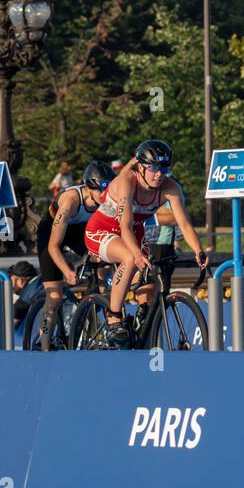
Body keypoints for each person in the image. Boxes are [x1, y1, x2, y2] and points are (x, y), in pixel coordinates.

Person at [83, 140, 207, 348]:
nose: (159, 175)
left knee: (150, 278)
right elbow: (125, 226)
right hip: (103, 230)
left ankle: (142, 319)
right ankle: (113, 317)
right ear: (140, 167)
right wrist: (137, 255)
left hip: (134, 231)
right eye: (154, 169)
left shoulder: (169, 187)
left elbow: (183, 223)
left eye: (164, 169)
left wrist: (198, 249)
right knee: (131, 258)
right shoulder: (126, 182)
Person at [37, 160, 114, 351]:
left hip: (79, 232)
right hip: (51, 236)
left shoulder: (106, 201)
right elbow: (54, 246)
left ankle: (89, 304)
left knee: (104, 265)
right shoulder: (70, 202)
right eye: (101, 191)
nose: (105, 196)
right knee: (54, 297)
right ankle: (44, 343)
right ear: (89, 188)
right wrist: (67, 272)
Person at [10, 260, 45, 328]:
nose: (12, 287)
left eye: (12, 282)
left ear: (21, 281)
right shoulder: (41, 281)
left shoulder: (29, 291)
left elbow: (16, 314)